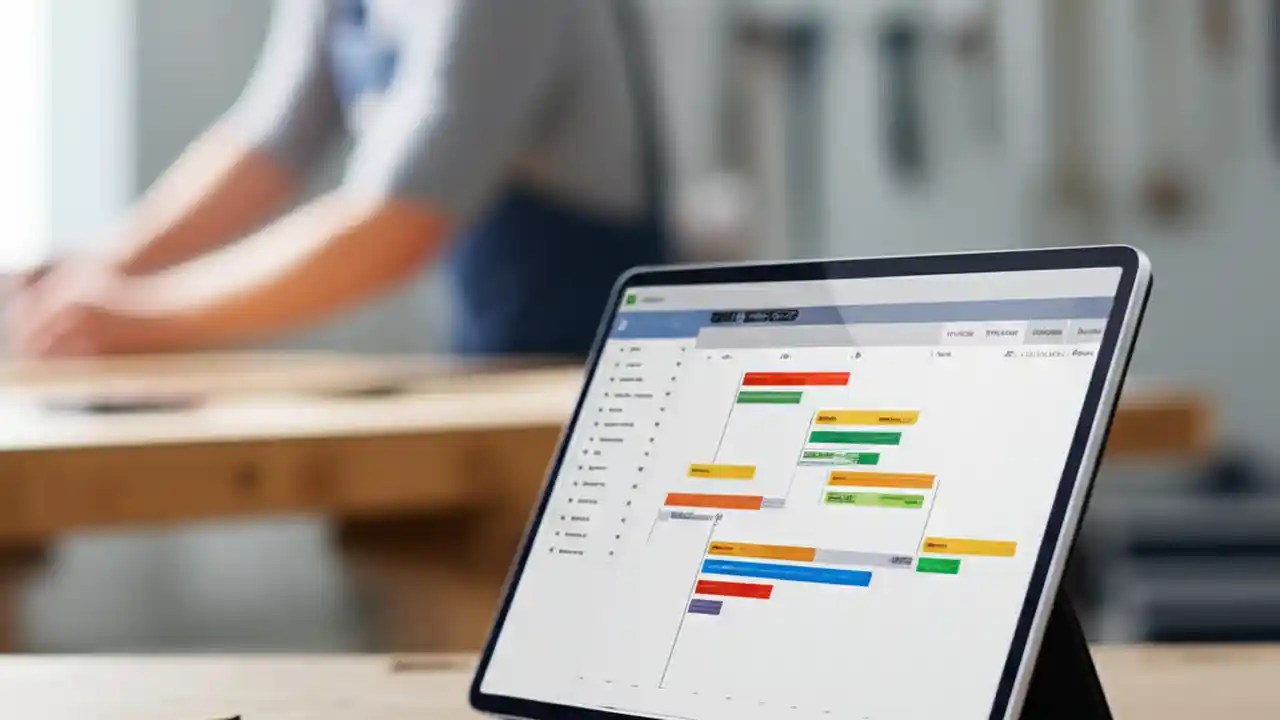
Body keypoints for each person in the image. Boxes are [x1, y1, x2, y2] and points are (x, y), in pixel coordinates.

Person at [8, 0, 668, 358]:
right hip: (491, 348)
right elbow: (270, 140)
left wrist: (140, 317)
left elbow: (400, 220)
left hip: (594, 359)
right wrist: (91, 273)